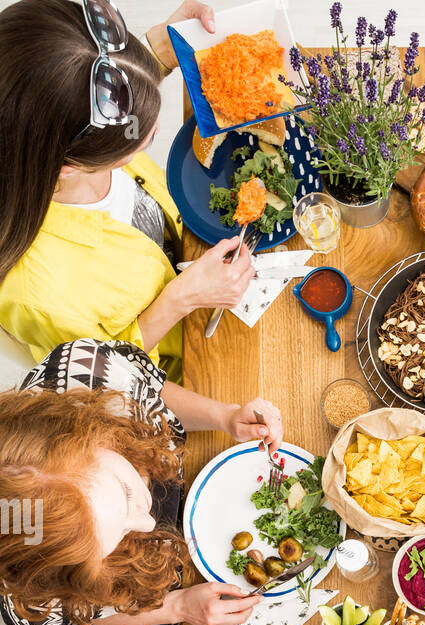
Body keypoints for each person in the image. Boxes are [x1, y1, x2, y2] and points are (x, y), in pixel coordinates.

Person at [0, 0, 254, 380]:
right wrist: (183, 297)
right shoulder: (36, 292)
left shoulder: (50, 137)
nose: (150, 133)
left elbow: (85, 84)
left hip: (196, 258)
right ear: (68, 167)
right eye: (138, 140)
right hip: (184, 366)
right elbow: (102, 380)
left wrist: (154, 55)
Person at [0, 336, 281, 625]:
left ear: (90, 434)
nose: (147, 522)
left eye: (125, 491)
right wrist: (177, 607)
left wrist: (224, 416)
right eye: (115, 535)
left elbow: (150, 390)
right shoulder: (34, 604)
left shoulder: (87, 371)